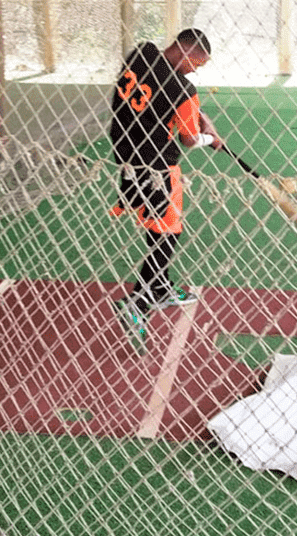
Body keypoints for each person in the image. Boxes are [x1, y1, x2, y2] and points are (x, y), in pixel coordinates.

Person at [109, 28, 221, 353]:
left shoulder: (141, 53)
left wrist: (201, 116)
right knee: (168, 234)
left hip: (128, 157)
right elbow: (188, 138)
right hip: (159, 167)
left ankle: (159, 287)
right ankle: (139, 302)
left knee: (159, 227)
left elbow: (163, 93)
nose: (195, 70)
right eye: (195, 63)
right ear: (185, 51)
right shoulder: (184, 89)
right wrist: (211, 139)